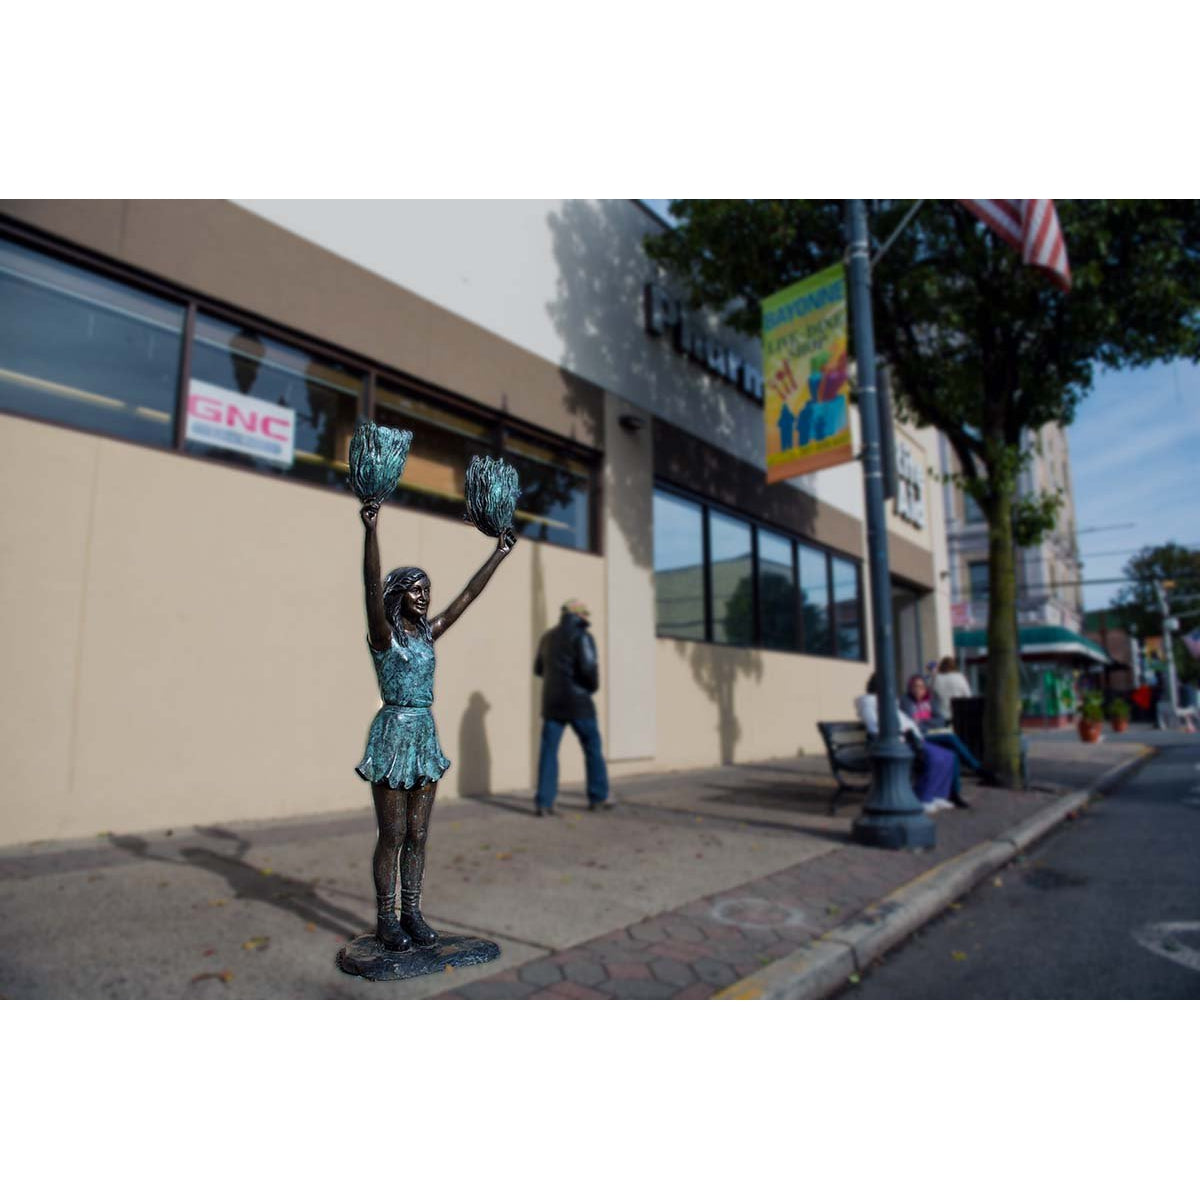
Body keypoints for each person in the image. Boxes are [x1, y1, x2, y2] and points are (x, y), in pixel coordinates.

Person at [356, 498, 516, 952]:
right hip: (393, 734)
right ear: (398, 595)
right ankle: (387, 918)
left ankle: (413, 911)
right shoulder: (383, 636)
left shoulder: (428, 633)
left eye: (427, 589)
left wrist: (499, 553)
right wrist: (371, 530)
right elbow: (370, 585)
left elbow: (467, 596)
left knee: (419, 834)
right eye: (416, 589)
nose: (424, 596)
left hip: (424, 735)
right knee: (393, 834)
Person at [533, 600, 609, 816]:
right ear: (578, 615)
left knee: (549, 751)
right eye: (585, 613)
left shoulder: (547, 638)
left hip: (552, 703)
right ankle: (598, 797)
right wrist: (590, 688)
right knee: (592, 747)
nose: (587, 617)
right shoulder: (583, 636)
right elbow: (589, 668)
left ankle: (544, 803)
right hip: (579, 703)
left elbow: (538, 669)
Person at [855, 674, 967, 812]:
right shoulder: (869, 703)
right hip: (898, 742)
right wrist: (902, 733)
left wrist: (913, 731)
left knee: (948, 756)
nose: (892, 689)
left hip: (912, 739)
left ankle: (938, 794)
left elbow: (906, 720)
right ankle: (924, 797)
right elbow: (874, 727)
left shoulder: (888, 702)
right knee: (934, 758)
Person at [901, 673, 988, 778]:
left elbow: (940, 720)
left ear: (925, 688)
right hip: (917, 736)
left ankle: (955, 791)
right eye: (915, 686)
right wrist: (927, 722)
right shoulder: (906, 701)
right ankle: (977, 768)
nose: (918, 690)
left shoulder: (931, 700)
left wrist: (922, 722)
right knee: (951, 738)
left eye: (921, 687)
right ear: (910, 687)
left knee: (952, 751)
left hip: (932, 733)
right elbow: (909, 723)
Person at [931, 654, 973, 723]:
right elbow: (968, 696)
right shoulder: (960, 677)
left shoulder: (937, 678)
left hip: (942, 714)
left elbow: (932, 696)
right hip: (958, 713)